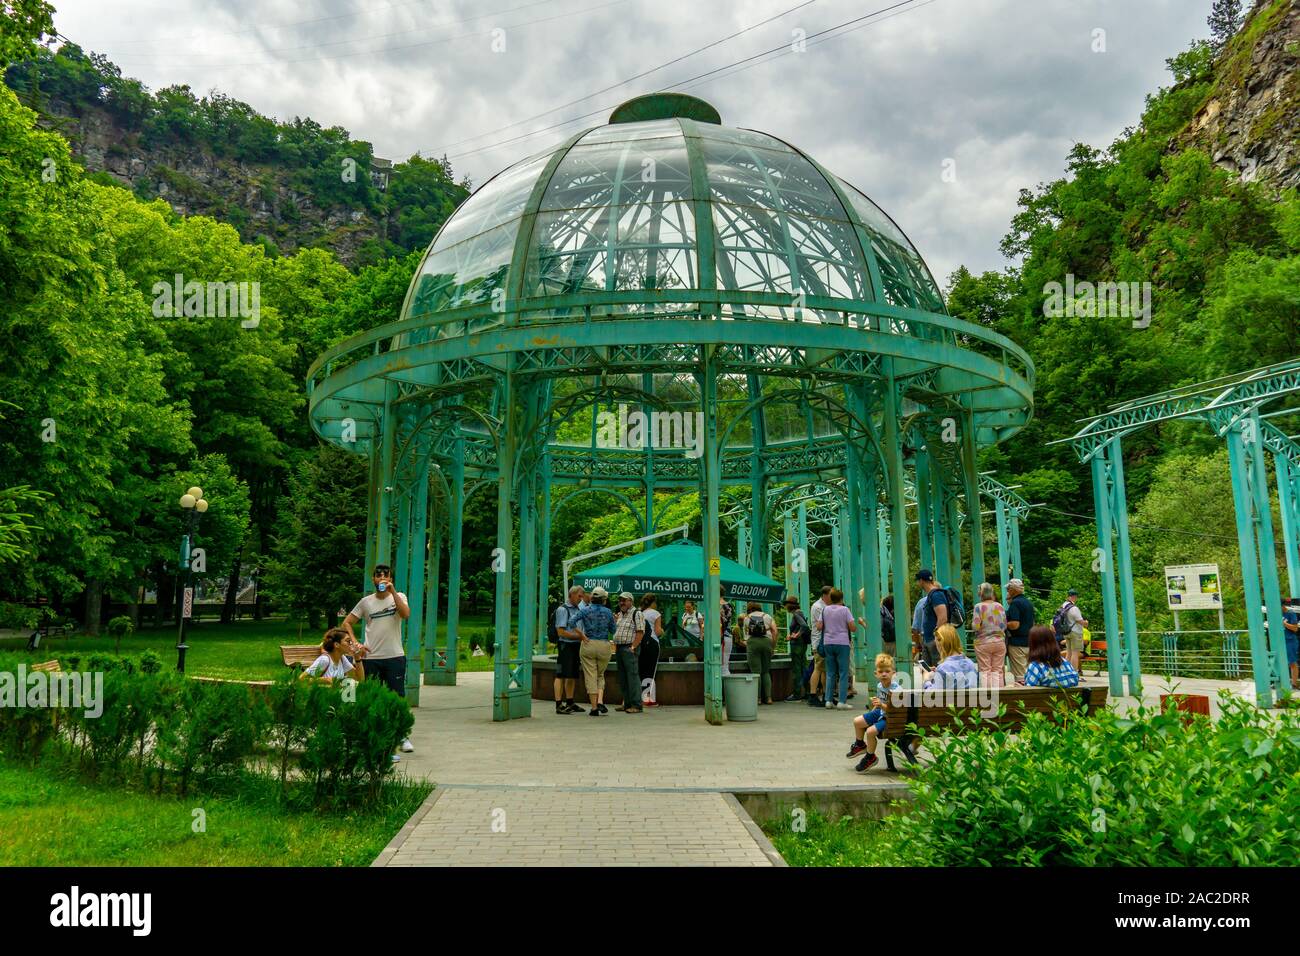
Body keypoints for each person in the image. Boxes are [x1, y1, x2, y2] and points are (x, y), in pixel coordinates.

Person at [343, 564, 414, 755]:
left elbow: (406, 614)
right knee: (371, 695)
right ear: (373, 579)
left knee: (397, 697)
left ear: (390, 578)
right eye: (378, 575)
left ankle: (401, 735)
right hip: (371, 657)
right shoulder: (366, 602)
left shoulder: (398, 597)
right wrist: (356, 642)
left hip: (394, 656)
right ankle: (372, 735)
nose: (382, 578)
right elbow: (347, 622)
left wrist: (393, 592)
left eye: (386, 575)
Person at [846, 653, 902, 772]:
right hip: (881, 712)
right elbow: (879, 705)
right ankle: (860, 745)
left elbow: (896, 711)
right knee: (857, 721)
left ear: (893, 673)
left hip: (891, 717)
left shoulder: (896, 689)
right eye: (881, 671)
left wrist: (881, 706)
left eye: (887, 671)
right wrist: (871, 715)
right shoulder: (879, 686)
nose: (884, 674)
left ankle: (870, 757)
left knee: (870, 732)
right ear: (876, 674)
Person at [573, 587, 615, 716]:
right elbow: (613, 630)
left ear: (592, 598)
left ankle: (594, 707)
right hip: (603, 645)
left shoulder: (585, 610)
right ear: (604, 600)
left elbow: (571, 622)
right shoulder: (608, 612)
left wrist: (582, 635)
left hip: (588, 643)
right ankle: (601, 700)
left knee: (591, 675)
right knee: (600, 674)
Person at [816, 587, 857, 709]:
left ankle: (828, 700)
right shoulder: (845, 610)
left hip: (828, 643)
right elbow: (852, 627)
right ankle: (842, 701)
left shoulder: (825, 610)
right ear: (841, 598)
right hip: (842, 643)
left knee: (830, 672)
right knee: (843, 673)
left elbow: (819, 626)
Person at [552, 585, 587, 714]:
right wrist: (578, 636)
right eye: (579, 596)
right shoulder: (563, 610)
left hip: (575, 645)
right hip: (566, 645)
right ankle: (558, 704)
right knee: (561, 674)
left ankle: (570, 702)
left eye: (582, 596)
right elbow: (560, 631)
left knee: (572, 674)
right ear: (571, 595)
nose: (581, 598)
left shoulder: (578, 609)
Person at [611, 591, 644, 713]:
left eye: (624, 600)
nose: (621, 603)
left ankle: (636, 705)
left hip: (629, 648)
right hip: (619, 648)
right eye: (620, 600)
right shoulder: (620, 614)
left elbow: (640, 632)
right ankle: (627, 703)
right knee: (623, 677)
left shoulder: (637, 613)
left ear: (631, 601)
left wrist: (633, 647)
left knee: (632, 676)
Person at [739, 601, 777, 705]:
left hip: (753, 643)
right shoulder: (768, 616)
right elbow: (774, 631)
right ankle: (769, 698)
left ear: (749, 608)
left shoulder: (747, 618)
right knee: (766, 671)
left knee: (756, 672)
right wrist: (773, 646)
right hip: (766, 642)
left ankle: (758, 699)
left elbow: (746, 636)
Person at [970, 582, 1007, 688]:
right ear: (991, 593)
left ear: (980, 594)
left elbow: (976, 627)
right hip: (999, 642)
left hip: (983, 643)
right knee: (998, 670)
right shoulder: (999, 606)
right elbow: (1004, 625)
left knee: (985, 671)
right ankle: (1000, 697)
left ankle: (988, 697)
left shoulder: (978, 607)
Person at [924, 623, 977, 690]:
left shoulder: (943, 668)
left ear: (941, 644)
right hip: (970, 700)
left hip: (949, 700)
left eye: (936, 643)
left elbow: (932, 696)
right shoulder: (971, 665)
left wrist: (926, 680)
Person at [1004, 578, 1034, 682]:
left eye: (1008, 589)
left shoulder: (1015, 603)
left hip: (1017, 644)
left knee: (1020, 676)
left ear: (1013, 590)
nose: (1007, 591)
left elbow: (1015, 625)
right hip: (1029, 642)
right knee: (1029, 674)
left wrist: (1002, 624)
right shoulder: (1028, 603)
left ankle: (1023, 697)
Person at [916, 570, 948, 668]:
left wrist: (936, 636)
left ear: (921, 581)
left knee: (938, 671)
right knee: (927, 672)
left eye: (918, 581)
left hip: (934, 641)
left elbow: (943, 617)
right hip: (928, 639)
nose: (917, 583)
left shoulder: (936, 595)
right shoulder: (932, 595)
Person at [807, 585, 831, 707]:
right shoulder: (818, 607)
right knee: (818, 668)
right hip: (819, 642)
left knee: (824, 670)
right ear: (825, 595)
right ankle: (812, 695)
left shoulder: (825, 606)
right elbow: (819, 625)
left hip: (825, 641)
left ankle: (826, 695)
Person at [783, 595, 811, 701]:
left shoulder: (796, 614)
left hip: (797, 645)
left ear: (790, 605)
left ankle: (797, 693)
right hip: (802, 644)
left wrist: (796, 635)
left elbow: (804, 626)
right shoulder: (801, 612)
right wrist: (794, 634)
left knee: (797, 669)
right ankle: (808, 691)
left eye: (786, 605)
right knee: (804, 668)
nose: (785, 607)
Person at [638, 593, 664, 706]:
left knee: (642, 670)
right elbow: (658, 632)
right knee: (651, 671)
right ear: (653, 603)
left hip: (641, 643)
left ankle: (640, 697)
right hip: (652, 643)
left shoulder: (640, 613)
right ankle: (648, 699)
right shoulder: (655, 614)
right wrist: (663, 631)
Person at [1057, 588, 1088, 672]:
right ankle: (1074, 672)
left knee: (1069, 652)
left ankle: (1066, 671)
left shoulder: (1063, 606)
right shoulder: (1074, 608)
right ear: (1074, 597)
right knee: (1075, 653)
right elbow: (1079, 620)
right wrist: (1085, 623)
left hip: (1066, 632)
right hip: (1075, 632)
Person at [1284, 595, 1300, 690]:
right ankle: (1280, 682)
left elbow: (1295, 628)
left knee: (1292, 662)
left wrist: (1284, 623)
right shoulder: (1276, 613)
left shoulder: (1291, 613)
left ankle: (1294, 684)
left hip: (1290, 640)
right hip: (1280, 641)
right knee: (1279, 662)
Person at [719, 597, 735, 676]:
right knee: (725, 665)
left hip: (719, 637)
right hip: (728, 636)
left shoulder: (715, 605)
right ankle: (727, 686)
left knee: (718, 665)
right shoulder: (729, 605)